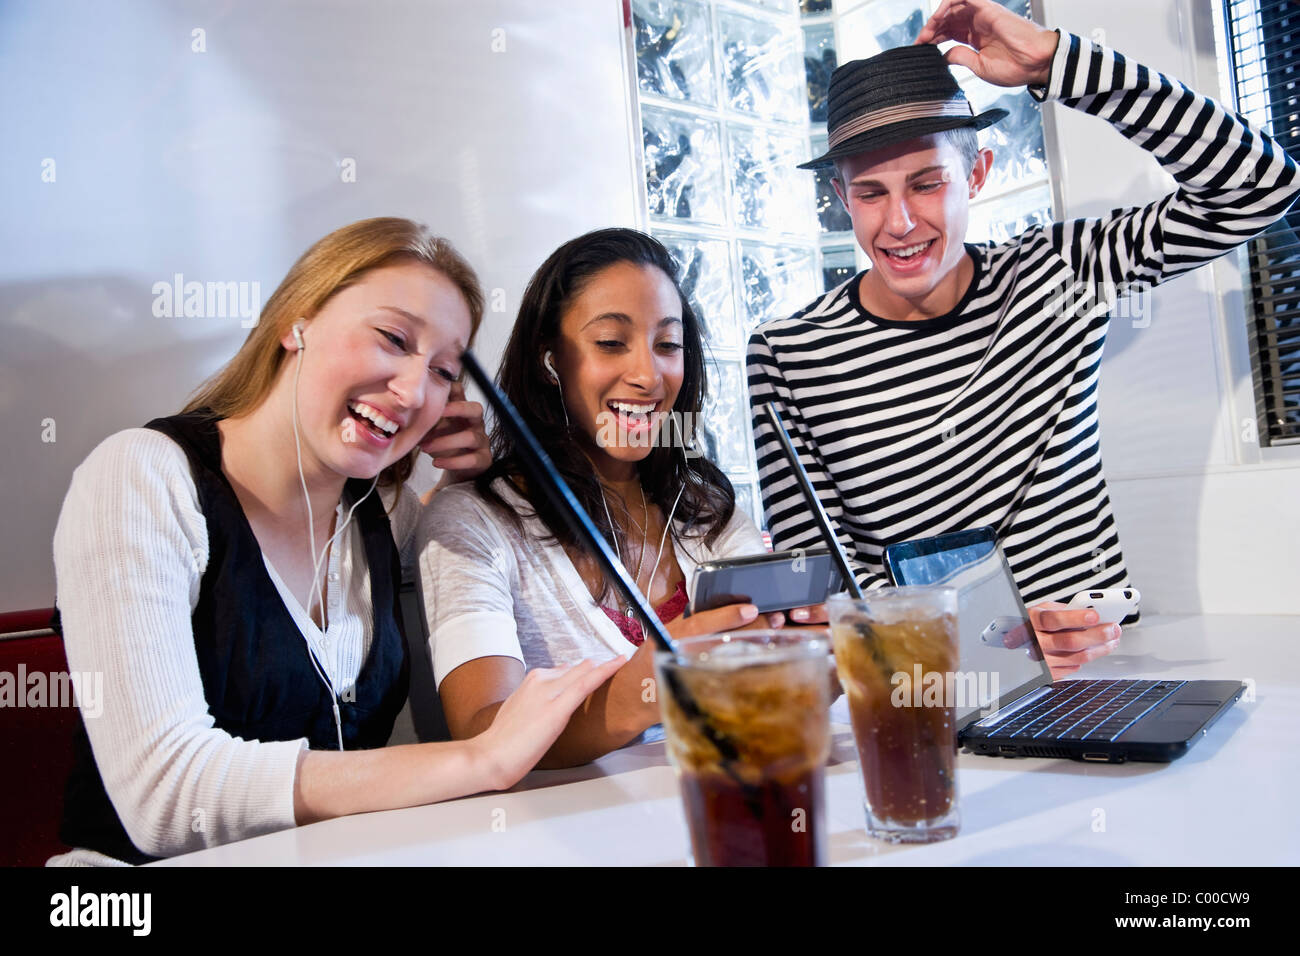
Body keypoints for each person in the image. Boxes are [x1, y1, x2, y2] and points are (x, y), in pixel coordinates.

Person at [746, 0, 1300, 678]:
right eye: (870, 193)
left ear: (976, 174)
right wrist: (973, 656)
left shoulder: (1058, 275)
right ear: (840, 196)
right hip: (929, 703)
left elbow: (1258, 186)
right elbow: (822, 596)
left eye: (926, 184)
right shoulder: (789, 354)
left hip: (1102, 675)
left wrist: (1059, 63)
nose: (899, 222)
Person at [50, 217, 623, 865]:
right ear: (298, 319)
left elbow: (472, 552)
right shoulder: (141, 477)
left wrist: (475, 480)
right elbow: (166, 798)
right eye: (392, 338)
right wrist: (477, 759)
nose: (412, 392)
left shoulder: (384, 512)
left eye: (442, 371)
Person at [418, 228, 786, 769]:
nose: (647, 375)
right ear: (550, 361)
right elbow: (481, 732)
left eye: (667, 344)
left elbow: (771, 699)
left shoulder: (707, 511)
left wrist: (820, 654)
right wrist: (642, 691)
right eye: (611, 343)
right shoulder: (473, 521)